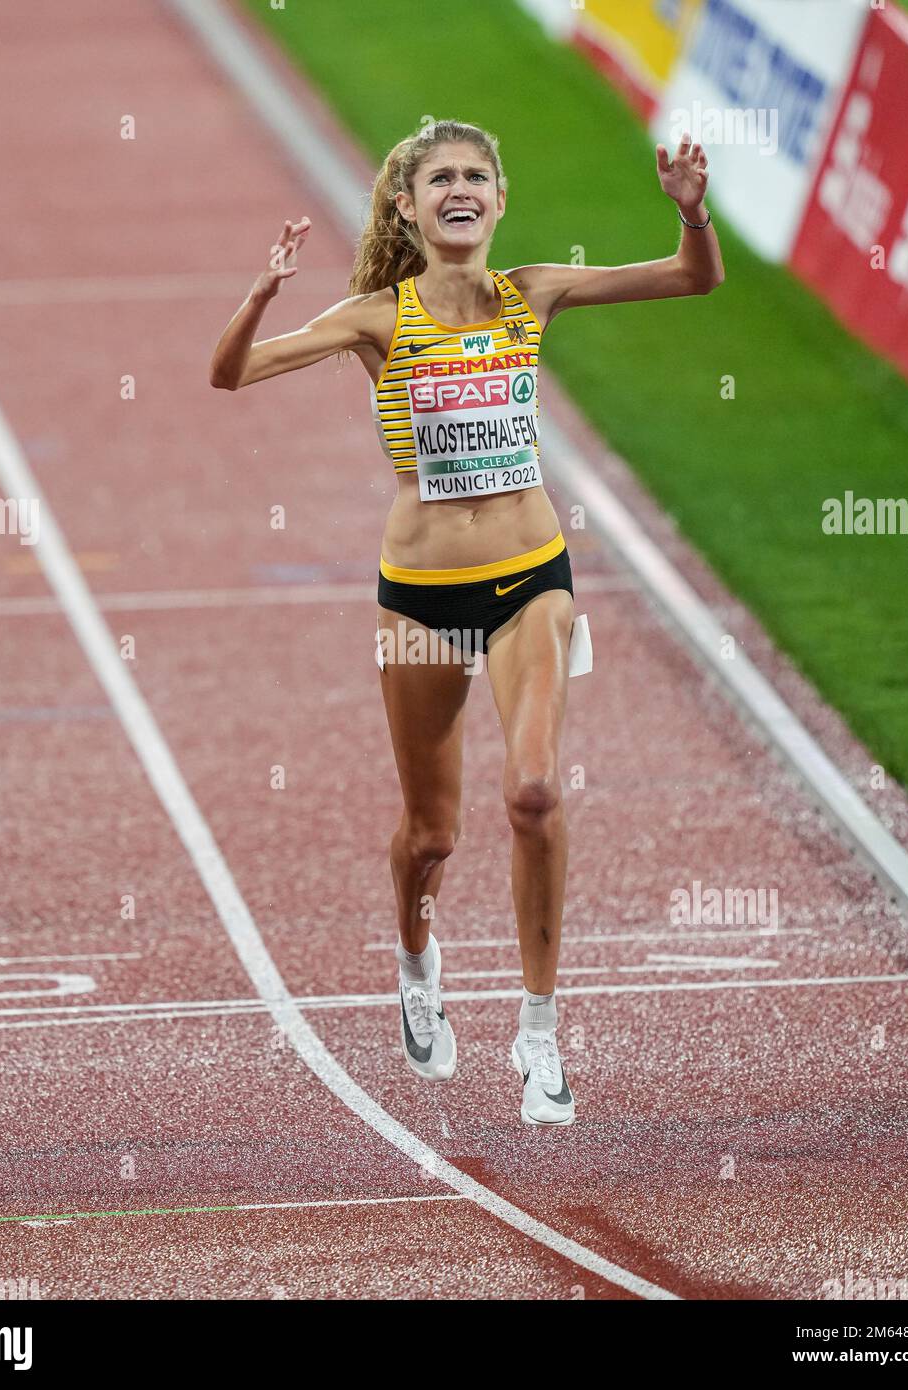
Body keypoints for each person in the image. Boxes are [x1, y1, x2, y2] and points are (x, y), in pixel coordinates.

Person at [210, 119, 723, 1124]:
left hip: (534, 576)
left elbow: (689, 279)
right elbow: (231, 373)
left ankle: (538, 1034)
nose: (458, 188)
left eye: (474, 176)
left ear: (497, 200)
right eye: (437, 176)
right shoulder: (374, 317)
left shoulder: (532, 292)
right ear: (406, 207)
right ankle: (415, 957)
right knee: (431, 834)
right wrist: (262, 294)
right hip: (420, 598)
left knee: (532, 791)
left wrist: (691, 211)